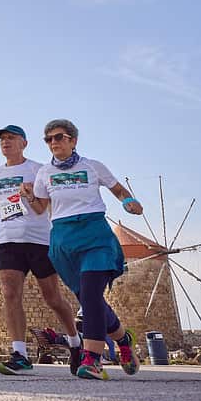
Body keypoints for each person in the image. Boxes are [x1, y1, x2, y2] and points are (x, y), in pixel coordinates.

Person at [29, 118, 144, 380]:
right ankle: (124, 340)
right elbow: (40, 208)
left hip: (94, 235)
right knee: (90, 300)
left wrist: (129, 201)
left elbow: (118, 189)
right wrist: (29, 197)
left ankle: (92, 359)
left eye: (59, 137)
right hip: (63, 241)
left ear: (73, 140)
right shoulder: (44, 173)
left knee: (91, 294)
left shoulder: (92, 166)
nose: (53, 142)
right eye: (48, 139)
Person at [0, 125, 83, 376]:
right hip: (7, 240)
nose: (5, 142)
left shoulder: (38, 169)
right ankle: (19, 353)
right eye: (2, 139)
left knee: (53, 298)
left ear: (24, 143)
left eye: (11, 138)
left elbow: (43, 207)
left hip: (38, 240)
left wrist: (30, 195)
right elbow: (2, 205)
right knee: (10, 294)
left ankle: (75, 342)